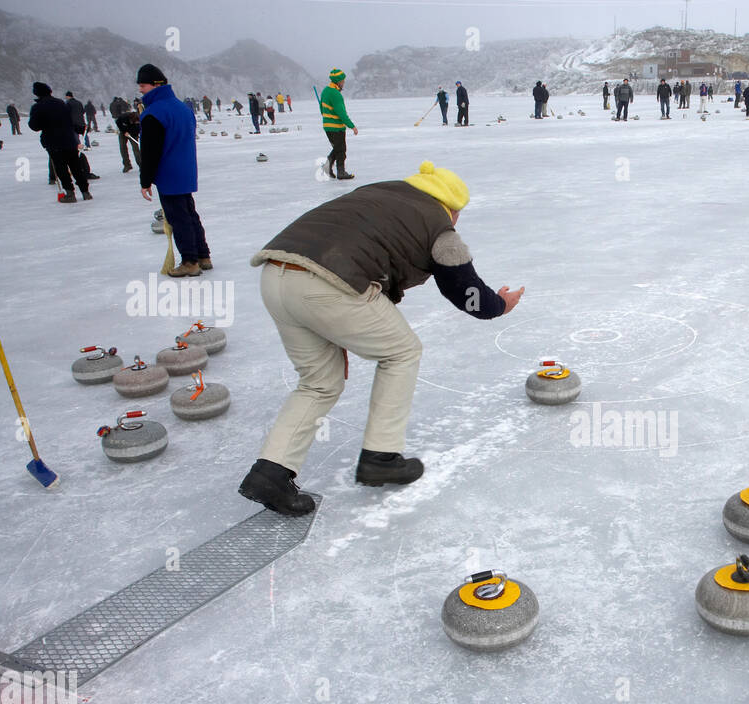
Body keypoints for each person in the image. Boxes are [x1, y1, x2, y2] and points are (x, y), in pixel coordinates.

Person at [239, 161, 525, 515]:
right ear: (451, 208)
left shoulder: (378, 193)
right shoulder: (439, 226)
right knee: (402, 353)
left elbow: (358, 244)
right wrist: (499, 305)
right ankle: (381, 456)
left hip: (275, 275)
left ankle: (271, 473)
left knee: (318, 383)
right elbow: (463, 290)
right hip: (329, 284)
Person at [137, 64, 209, 275]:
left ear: (155, 85)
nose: (140, 90)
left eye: (143, 85)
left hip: (169, 173)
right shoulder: (182, 108)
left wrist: (145, 180)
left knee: (179, 218)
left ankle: (190, 262)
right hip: (185, 170)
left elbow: (150, 152)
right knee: (190, 214)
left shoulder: (154, 113)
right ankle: (203, 255)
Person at [28, 82, 90, 202]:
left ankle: (70, 193)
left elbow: (35, 126)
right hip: (69, 139)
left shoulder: (38, 107)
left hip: (53, 142)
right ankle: (85, 191)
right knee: (76, 166)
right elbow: (70, 120)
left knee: (61, 168)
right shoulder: (61, 103)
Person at [320, 69, 357, 180]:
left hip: (327, 126)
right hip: (336, 127)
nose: (344, 83)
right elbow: (341, 113)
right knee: (341, 150)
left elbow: (321, 109)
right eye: (342, 81)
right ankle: (341, 172)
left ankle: (327, 167)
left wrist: (327, 117)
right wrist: (352, 126)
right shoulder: (336, 94)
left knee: (337, 148)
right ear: (338, 81)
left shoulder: (326, 91)